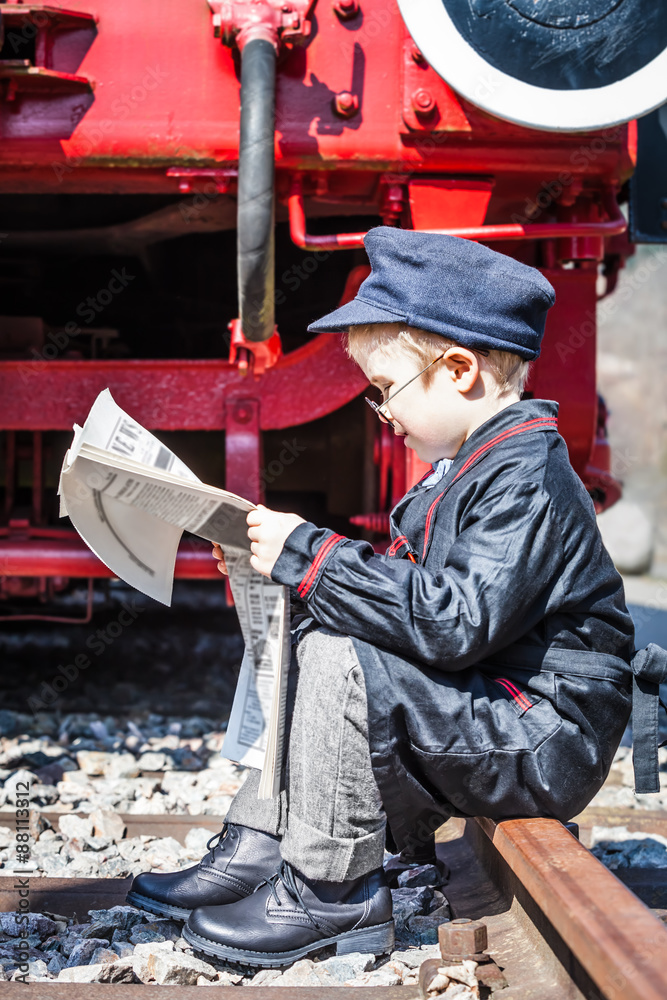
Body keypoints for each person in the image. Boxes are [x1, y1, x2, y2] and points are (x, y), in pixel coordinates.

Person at [128, 227, 665, 969]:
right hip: (495, 705)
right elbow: (410, 603)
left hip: (542, 733)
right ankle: (263, 839)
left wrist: (314, 556)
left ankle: (330, 894)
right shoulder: (465, 470)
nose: (382, 414)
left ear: (458, 370)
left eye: (386, 392)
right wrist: (281, 572)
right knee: (314, 626)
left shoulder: (525, 478)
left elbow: (453, 622)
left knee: (342, 650)